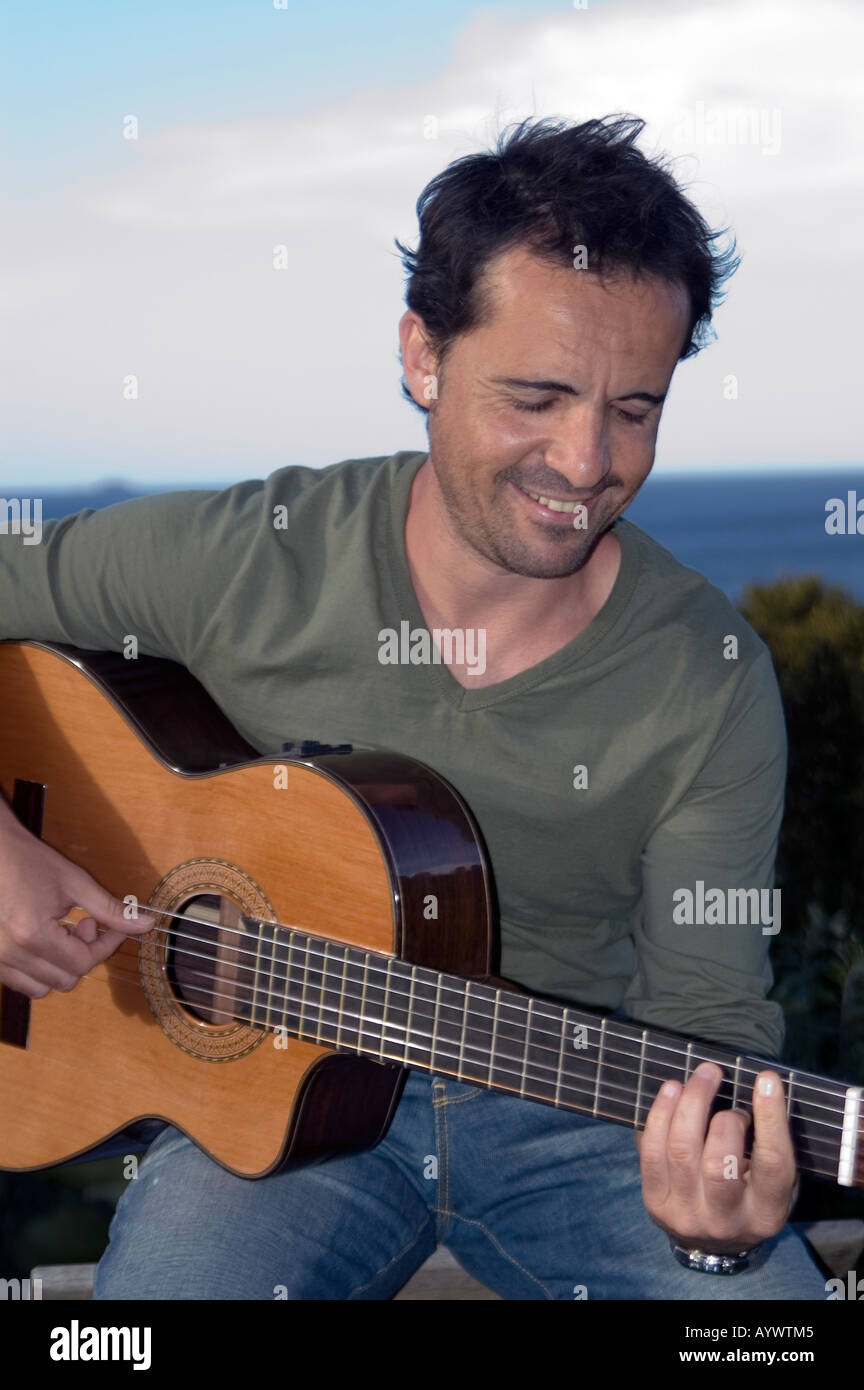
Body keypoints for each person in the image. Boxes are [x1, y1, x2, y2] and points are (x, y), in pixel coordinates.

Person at [0, 115, 828, 1300]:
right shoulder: (252, 557)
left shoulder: (710, 676)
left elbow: (707, 1018)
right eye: (536, 394)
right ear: (422, 356)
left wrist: (720, 1220)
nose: (588, 461)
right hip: (261, 1119)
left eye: (635, 409)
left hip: (577, 1112)